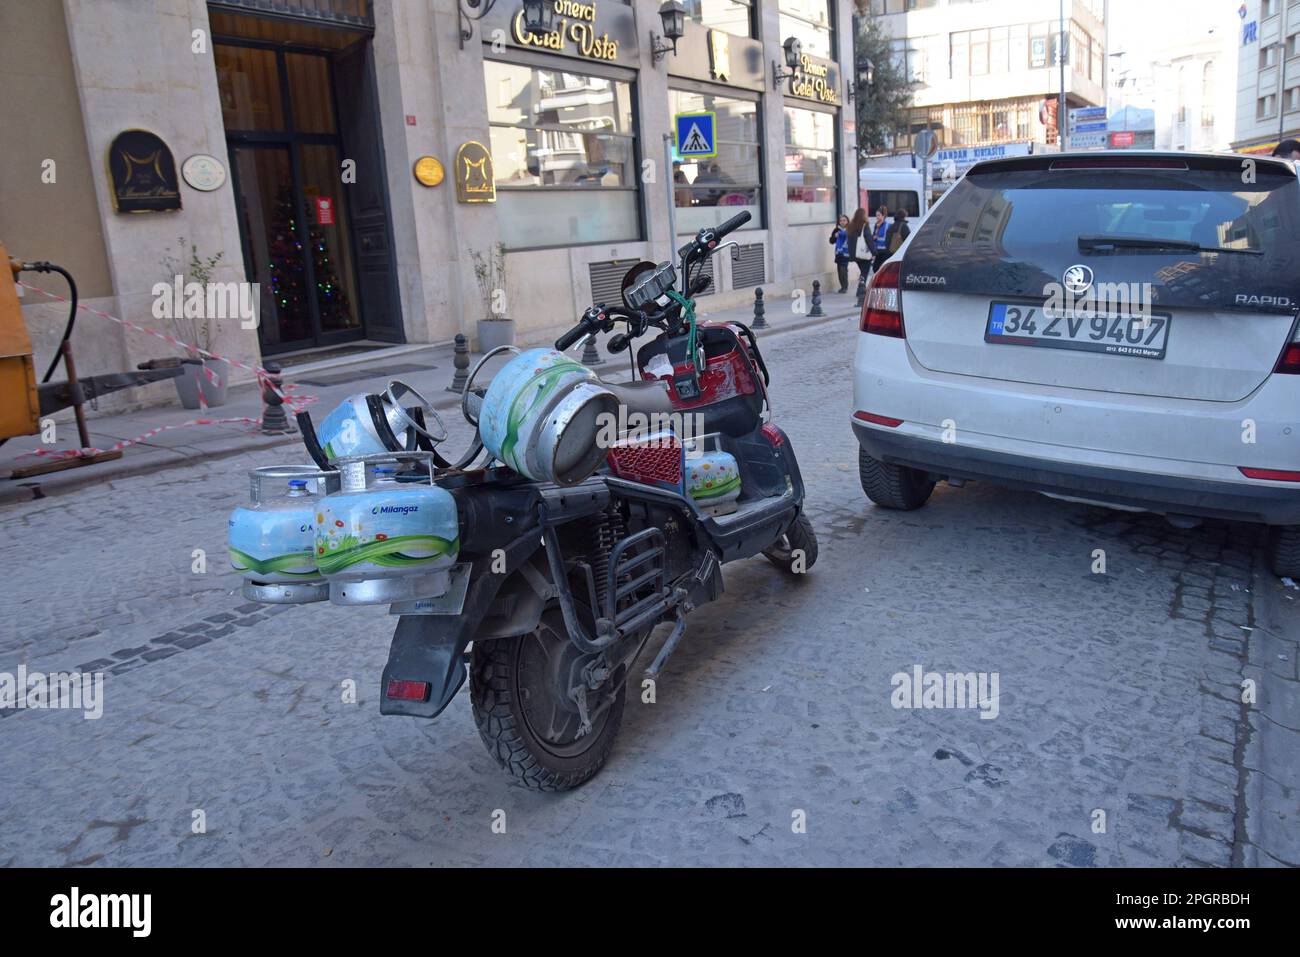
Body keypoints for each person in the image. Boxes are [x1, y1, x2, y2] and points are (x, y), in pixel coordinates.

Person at [846, 207, 874, 288]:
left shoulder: (851, 226)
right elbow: (869, 239)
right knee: (865, 271)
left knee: (862, 271)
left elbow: (849, 241)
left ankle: (861, 286)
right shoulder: (865, 226)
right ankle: (861, 288)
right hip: (863, 253)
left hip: (854, 254)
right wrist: (874, 252)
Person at [829, 214, 851, 293]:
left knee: (843, 269)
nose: (842, 222)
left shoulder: (850, 229)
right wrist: (835, 236)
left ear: (847, 221)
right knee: (840, 270)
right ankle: (843, 286)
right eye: (841, 220)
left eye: (844, 220)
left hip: (847, 253)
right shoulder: (836, 230)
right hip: (839, 253)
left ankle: (845, 286)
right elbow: (831, 241)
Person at [870, 205, 890, 271]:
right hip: (877, 250)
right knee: (875, 268)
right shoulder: (876, 225)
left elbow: (886, 236)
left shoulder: (887, 225)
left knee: (883, 268)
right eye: (876, 215)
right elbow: (873, 237)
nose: (877, 217)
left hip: (885, 251)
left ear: (883, 216)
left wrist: (876, 236)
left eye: (878, 215)